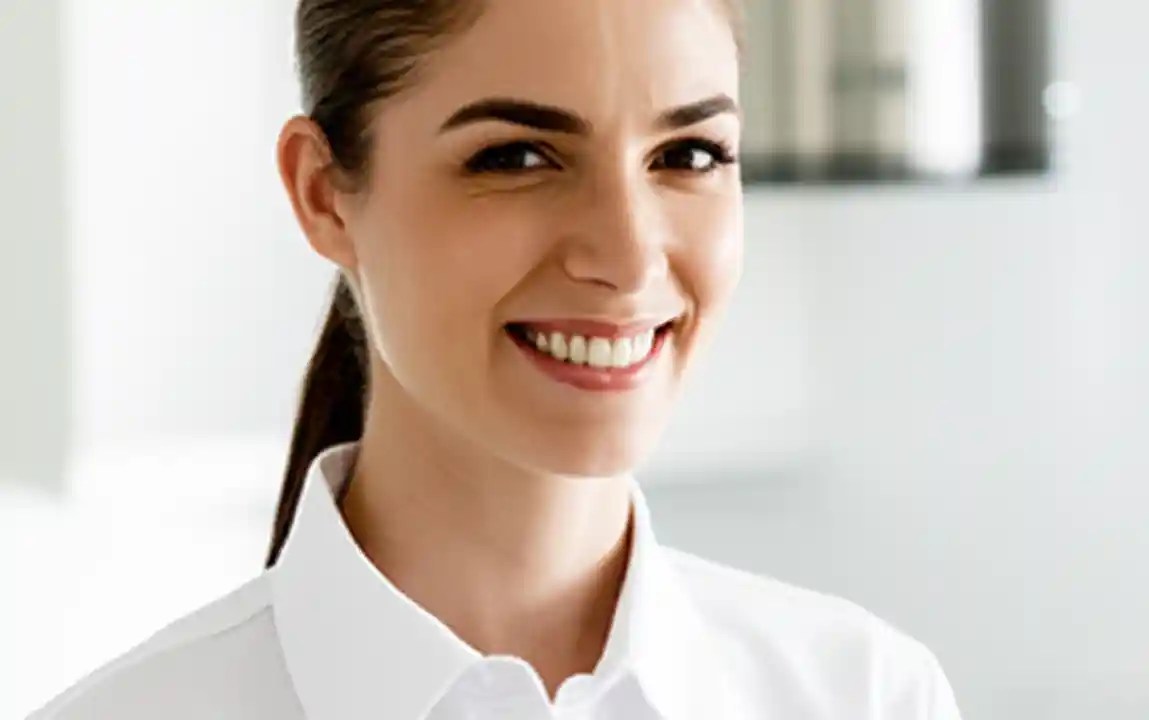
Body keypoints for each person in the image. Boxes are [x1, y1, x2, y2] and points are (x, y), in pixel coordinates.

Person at [32, 1, 962, 718]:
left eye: (688, 152)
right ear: (324, 194)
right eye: (517, 157)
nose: (628, 255)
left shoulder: (866, 696)